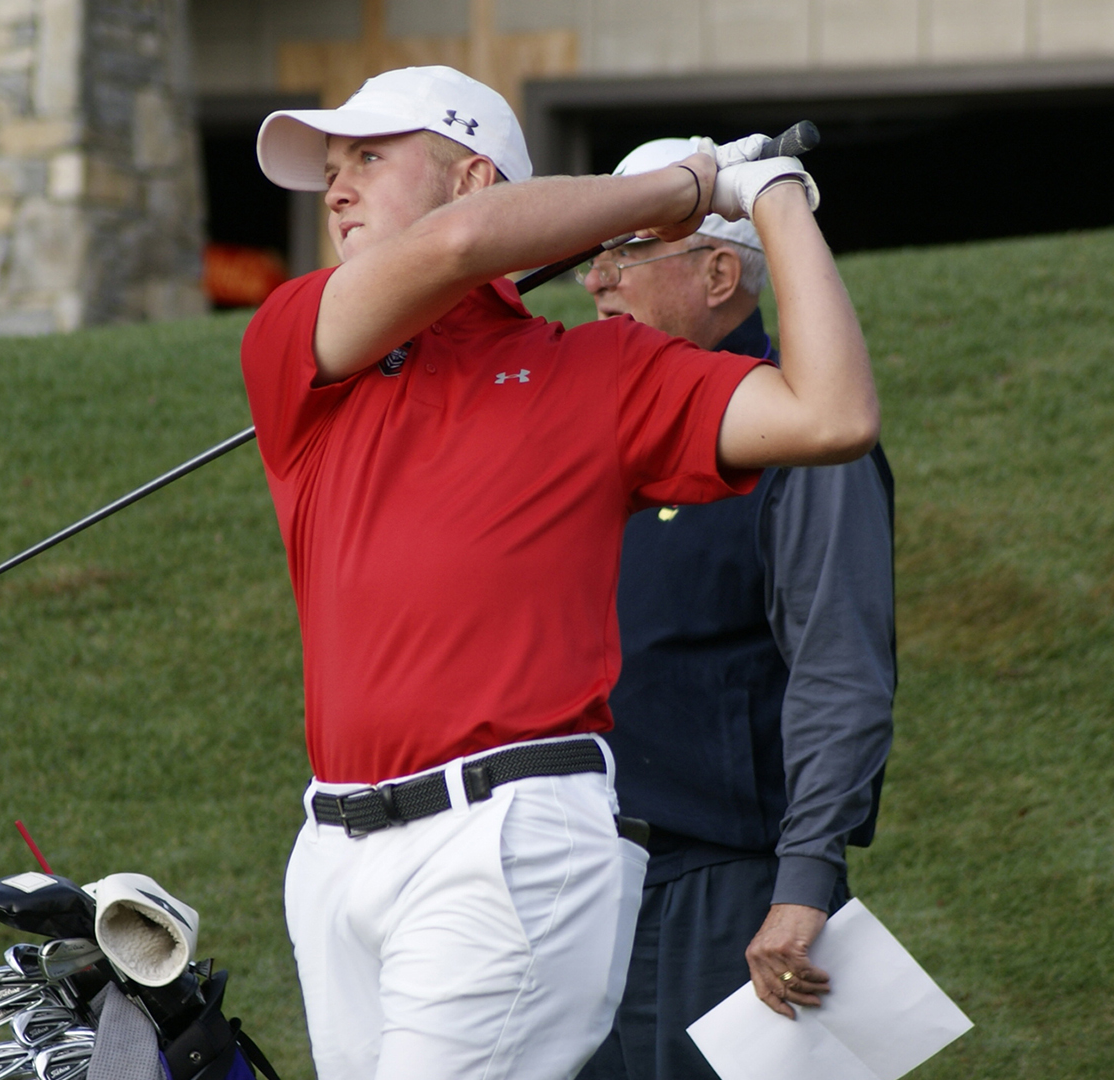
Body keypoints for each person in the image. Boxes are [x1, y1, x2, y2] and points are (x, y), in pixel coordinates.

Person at [241, 66, 879, 1080]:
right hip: (335, 853)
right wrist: (685, 187)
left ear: (474, 178)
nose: (337, 190)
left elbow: (832, 416)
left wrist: (772, 199)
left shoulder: (602, 373)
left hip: (508, 839)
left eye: (369, 157)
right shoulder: (298, 343)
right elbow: (458, 249)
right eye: (330, 167)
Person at [575, 138, 896, 1080]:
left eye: (623, 250)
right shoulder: (596, 431)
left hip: (727, 886)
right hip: (583, 879)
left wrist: (803, 886)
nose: (594, 278)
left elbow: (840, 668)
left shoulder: (794, 437)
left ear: (720, 273)